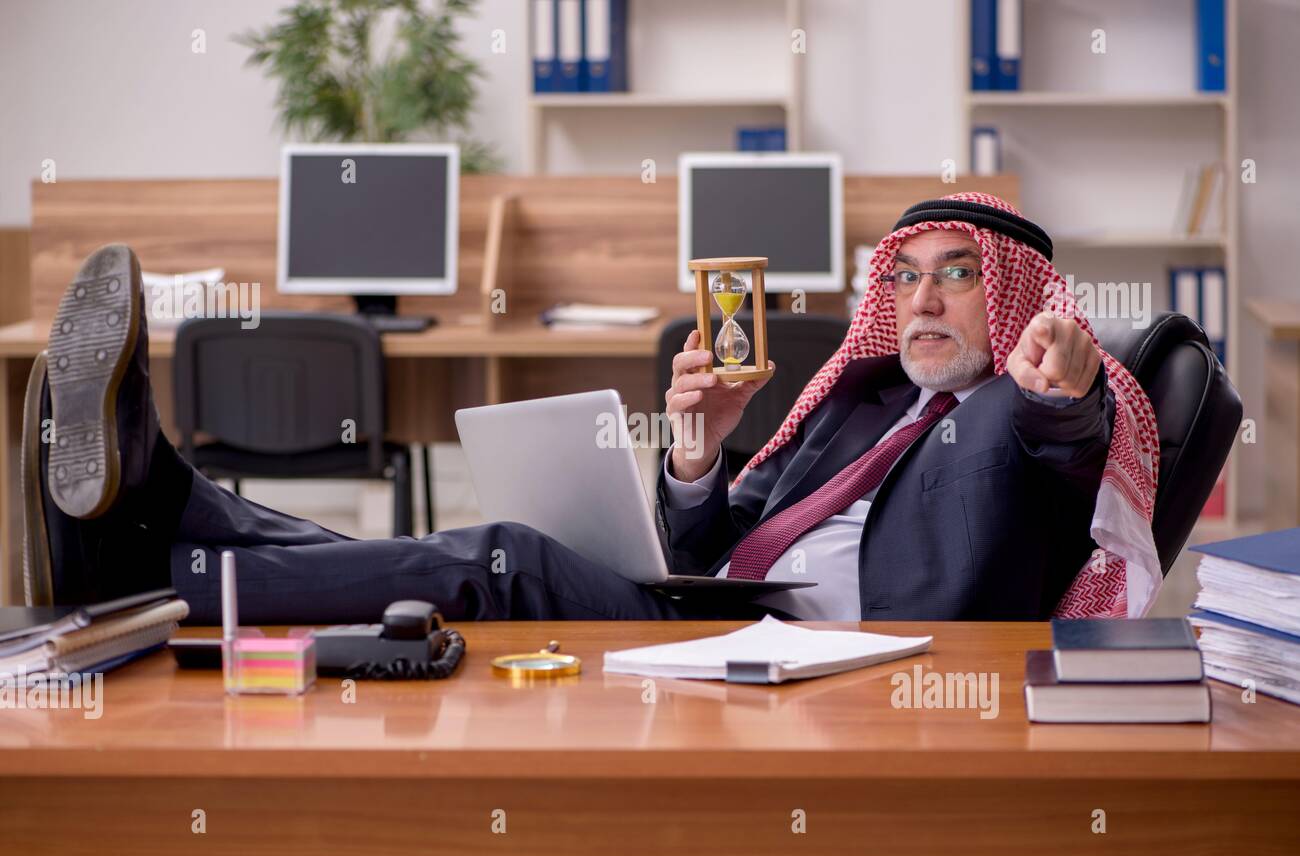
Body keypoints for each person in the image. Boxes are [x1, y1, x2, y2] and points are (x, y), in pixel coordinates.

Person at [22, 192, 1159, 625]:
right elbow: (710, 540)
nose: (920, 300)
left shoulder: (1028, 409)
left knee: (501, 557)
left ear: (1010, 295)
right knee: (450, 550)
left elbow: (1066, 440)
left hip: (843, 663)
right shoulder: (859, 401)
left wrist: (1057, 384)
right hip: (725, 614)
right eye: (905, 276)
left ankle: (153, 564)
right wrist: (698, 460)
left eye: (957, 274)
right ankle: (160, 516)